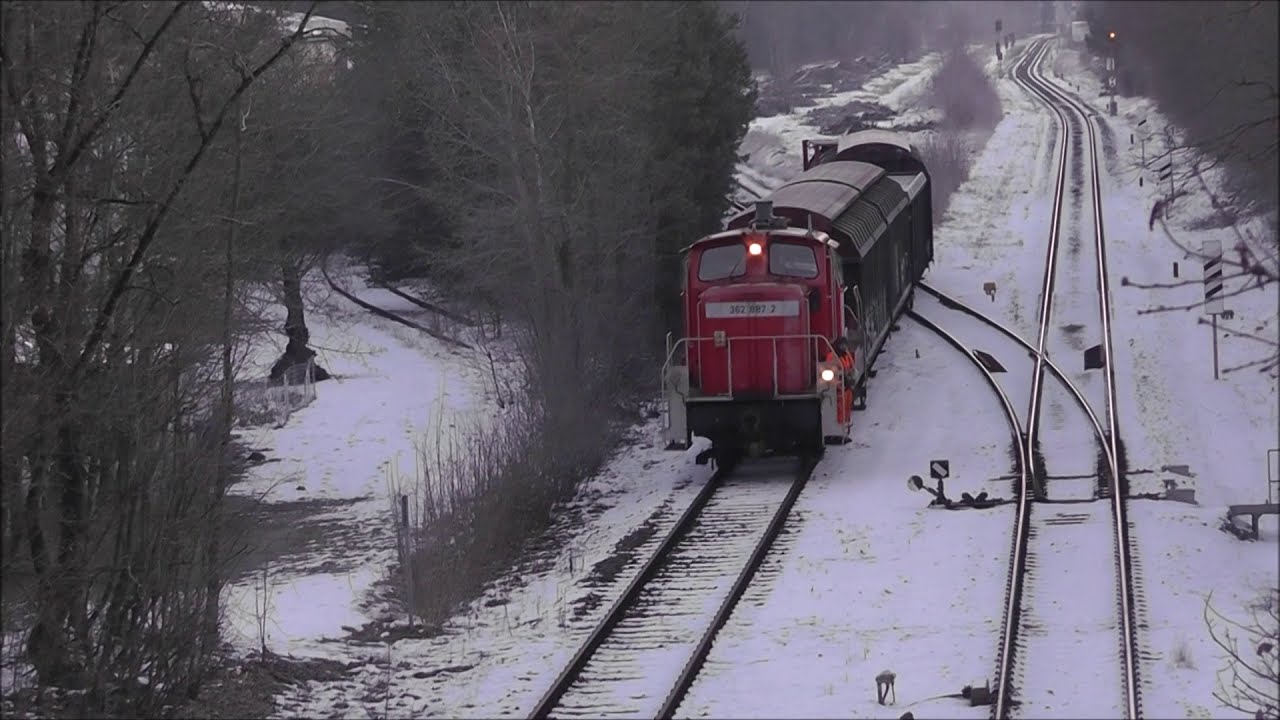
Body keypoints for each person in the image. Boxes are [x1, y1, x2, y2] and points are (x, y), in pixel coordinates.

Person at [827, 337, 855, 423]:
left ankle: (846, 426)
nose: (844, 347)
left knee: (847, 408)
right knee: (840, 411)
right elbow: (831, 374)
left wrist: (851, 378)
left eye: (845, 345)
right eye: (842, 345)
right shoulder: (832, 356)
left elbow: (851, 367)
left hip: (847, 387)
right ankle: (840, 430)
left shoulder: (846, 354)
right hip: (839, 390)